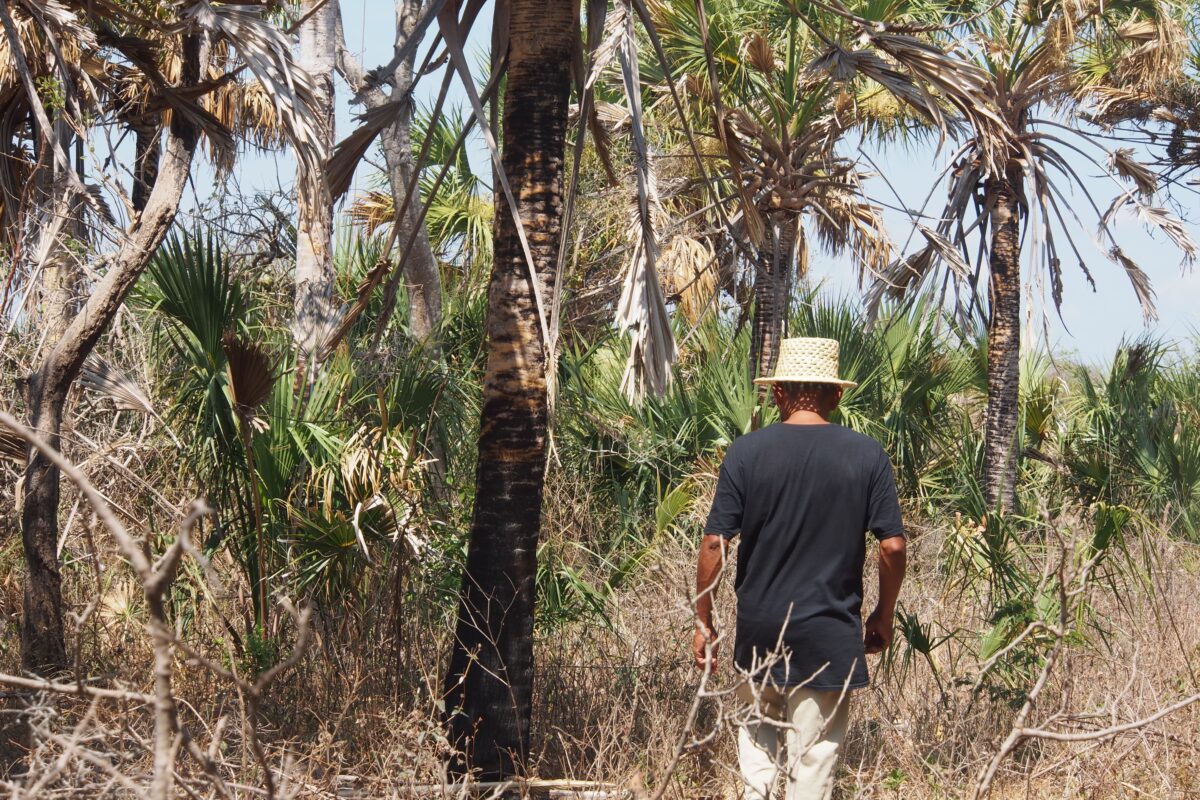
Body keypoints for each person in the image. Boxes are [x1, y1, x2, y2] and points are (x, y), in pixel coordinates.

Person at [692, 337, 907, 800]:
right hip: (829, 636)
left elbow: (714, 542)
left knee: (757, 770)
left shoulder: (746, 453)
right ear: (837, 395)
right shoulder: (867, 456)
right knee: (812, 769)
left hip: (759, 636)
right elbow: (891, 546)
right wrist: (883, 615)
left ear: (777, 394)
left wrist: (703, 621)